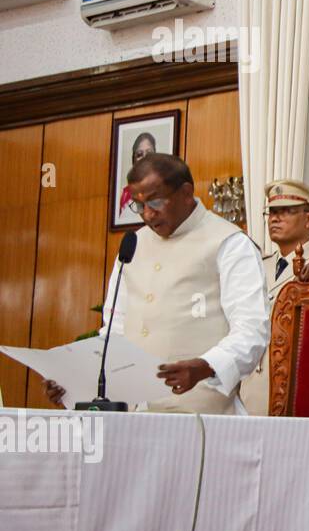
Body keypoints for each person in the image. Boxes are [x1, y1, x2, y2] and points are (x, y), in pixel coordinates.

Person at [46, 152, 268, 414]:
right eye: (138, 206)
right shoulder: (133, 245)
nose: (148, 214)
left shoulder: (229, 243)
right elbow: (114, 333)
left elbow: (251, 330)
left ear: (186, 192)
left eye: (156, 201)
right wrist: (74, 380)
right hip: (133, 414)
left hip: (202, 416)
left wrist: (205, 365)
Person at [243, 179, 309, 415]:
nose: (275, 219)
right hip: (252, 389)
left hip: (296, 389)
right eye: (272, 212)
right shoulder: (259, 266)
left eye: (287, 211)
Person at [118, 131, 156, 214]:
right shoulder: (127, 194)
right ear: (134, 160)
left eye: (149, 153)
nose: (144, 157)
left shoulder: (164, 188)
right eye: (139, 154)